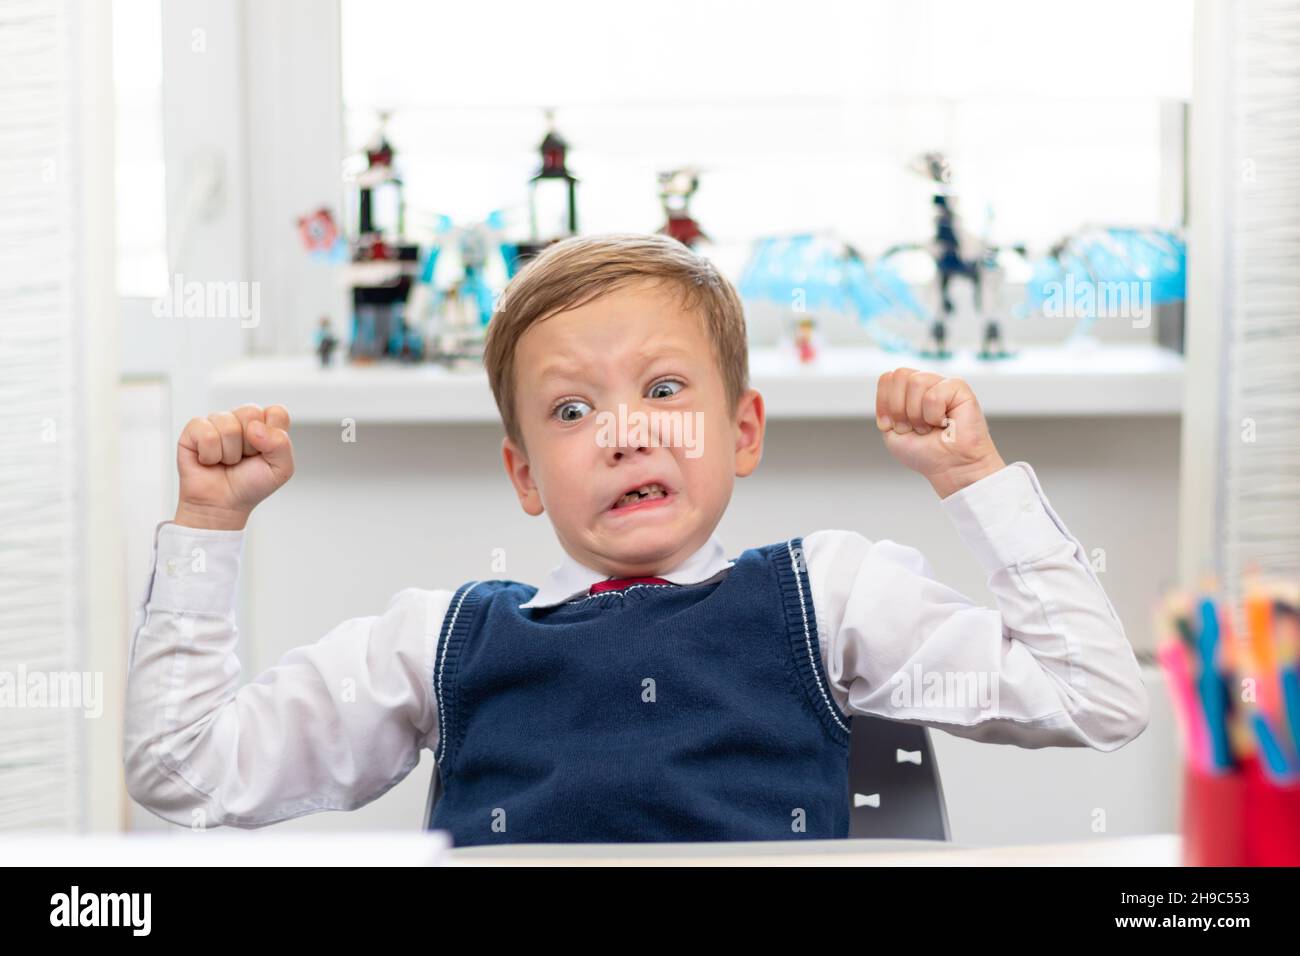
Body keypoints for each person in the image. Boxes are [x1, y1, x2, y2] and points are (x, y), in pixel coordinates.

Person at [123, 233, 1149, 846]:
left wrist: (973, 479)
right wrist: (209, 528)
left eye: (663, 390)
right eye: (572, 411)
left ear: (740, 431)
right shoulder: (431, 643)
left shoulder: (832, 595)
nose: (625, 431)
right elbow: (183, 769)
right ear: (523, 471)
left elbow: (1093, 697)